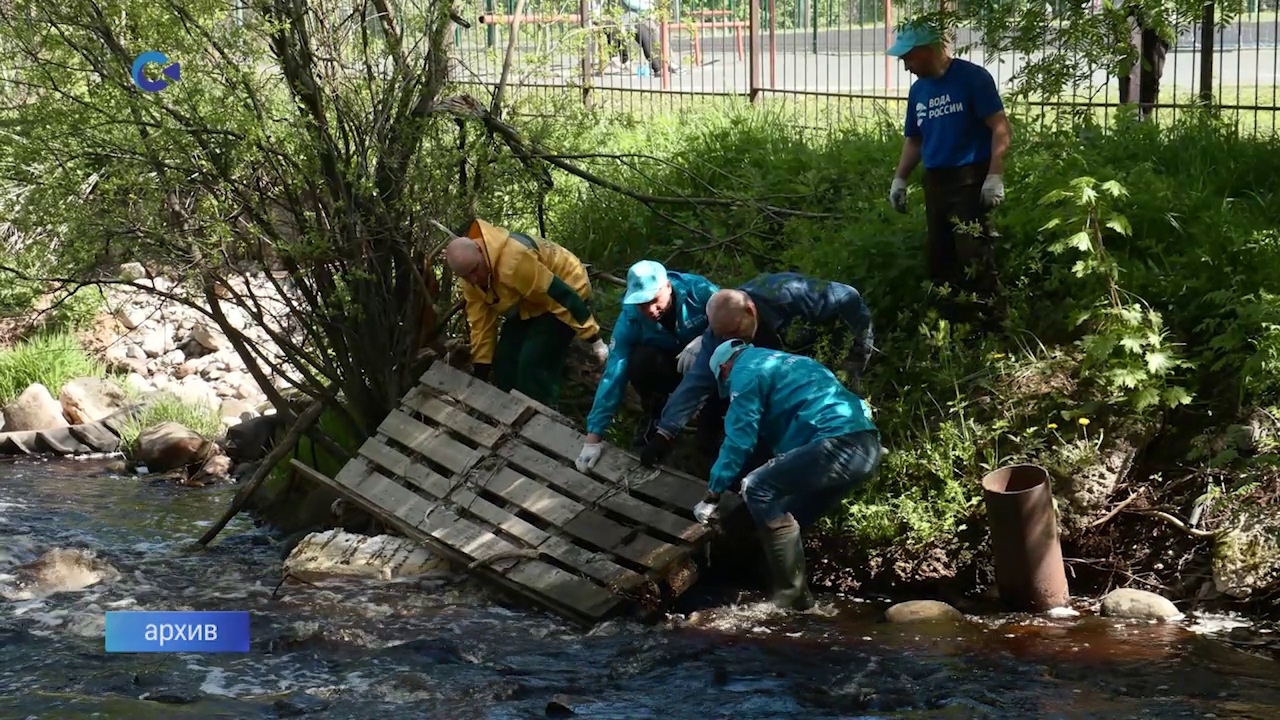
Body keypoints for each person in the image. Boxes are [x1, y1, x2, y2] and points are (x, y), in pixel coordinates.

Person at [693, 338, 883, 611]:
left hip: (839, 444)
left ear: (724, 368)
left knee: (756, 487)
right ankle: (803, 608)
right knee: (789, 513)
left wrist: (712, 495)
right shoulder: (793, 364)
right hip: (866, 448)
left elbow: (739, 440)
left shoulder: (745, 372)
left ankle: (791, 596)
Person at [639, 272, 874, 468]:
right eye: (725, 337)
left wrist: (856, 353)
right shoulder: (720, 332)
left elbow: (849, 299)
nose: (732, 341)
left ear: (750, 311)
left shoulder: (793, 296)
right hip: (784, 359)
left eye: (734, 332)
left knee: (837, 395)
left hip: (823, 344)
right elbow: (696, 383)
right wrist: (665, 433)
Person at [886, 19, 1012, 327]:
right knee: (940, 257)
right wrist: (900, 179)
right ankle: (954, 325)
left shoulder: (972, 79)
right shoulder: (919, 91)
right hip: (936, 181)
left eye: (908, 58)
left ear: (928, 50)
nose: (905, 67)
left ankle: (993, 325)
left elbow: (1000, 127)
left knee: (973, 254)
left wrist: (994, 176)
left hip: (969, 179)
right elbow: (915, 139)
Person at [574, 260, 719, 474]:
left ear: (668, 287)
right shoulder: (630, 320)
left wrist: (707, 338)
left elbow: (736, 311)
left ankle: (714, 417)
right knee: (641, 360)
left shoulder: (698, 291)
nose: (651, 310)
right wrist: (593, 438)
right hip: (671, 366)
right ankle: (657, 416)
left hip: (713, 362)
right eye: (642, 304)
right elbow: (614, 374)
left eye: (654, 300)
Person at [445, 218, 607, 408]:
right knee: (505, 360)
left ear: (480, 251)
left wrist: (594, 339)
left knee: (533, 363)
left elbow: (557, 294)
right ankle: (506, 412)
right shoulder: (471, 281)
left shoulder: (513, 261)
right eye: (466, 276)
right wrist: (481, 368)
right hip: (530, 302)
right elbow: (481, 324)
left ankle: (540, 416)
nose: (473, 278)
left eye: (475, 270)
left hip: (568, 289)